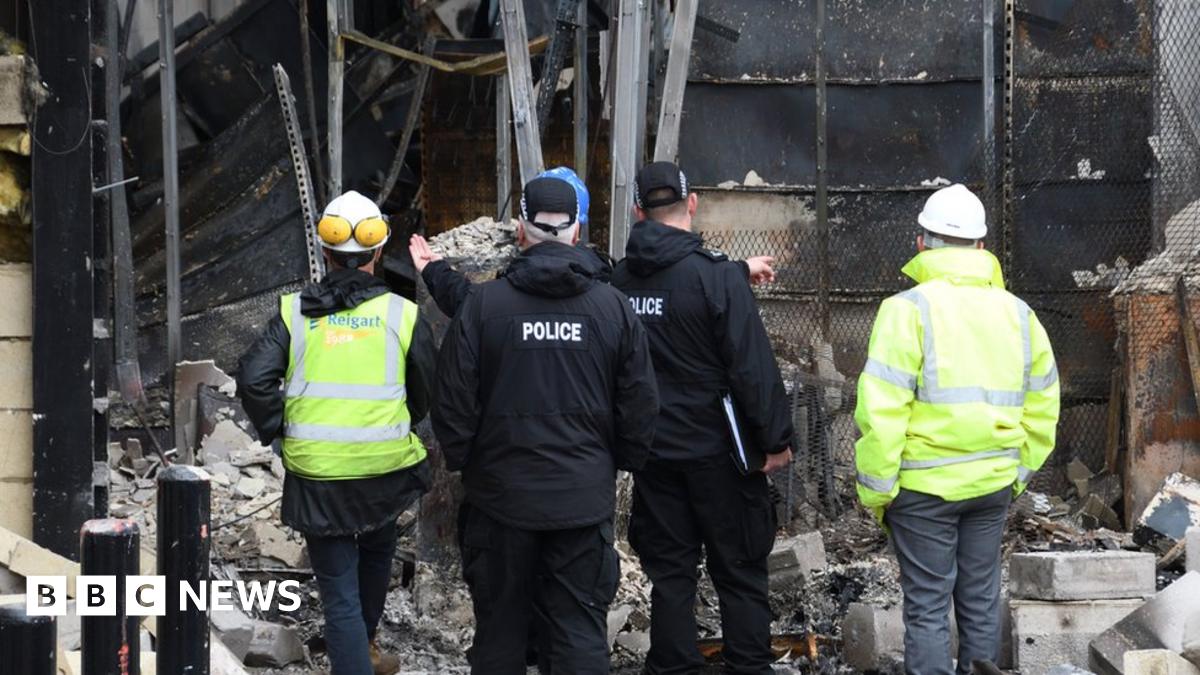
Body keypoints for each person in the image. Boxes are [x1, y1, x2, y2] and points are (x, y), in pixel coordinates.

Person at [431, 175, 660, 674]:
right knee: (578, 634)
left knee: (500, 634)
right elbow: (640, 402)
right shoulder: (612, 309)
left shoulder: (484, 308)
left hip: (500, 501)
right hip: (580, 502)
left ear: (520, 231)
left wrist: (470, 464)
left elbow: (450, 403)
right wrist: (615, 463)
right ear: (577, 232)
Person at [854, 183, 1060, 675]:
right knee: (980, 597)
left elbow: (881, 411)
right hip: (991, 485)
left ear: (922, 243)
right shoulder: (1019, 314)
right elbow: (1044, 404)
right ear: (982, 248)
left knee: (927, 606)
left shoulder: (906, 310)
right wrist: (1017, 475)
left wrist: (878, 492)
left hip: (923, 490)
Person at [237, 190, 435, 675]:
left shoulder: (294, 313)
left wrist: (279, 431)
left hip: (318, 472)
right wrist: (400, 421)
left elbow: (252, 378)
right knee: (377, 547)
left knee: (338, 589)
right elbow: (427, 385)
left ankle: (357, 653)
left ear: (326, 252)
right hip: (384, 467)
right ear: (379, 251)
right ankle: (362, 651)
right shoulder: (402, 314)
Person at [609, 161, 795, 675]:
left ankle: (673, 665)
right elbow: (753, 369)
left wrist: (735, 270)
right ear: (692, 205)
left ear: (637, 211)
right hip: (721, 455)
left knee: (670, 571)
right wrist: (775, 441)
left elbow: (668, 296)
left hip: (652, 453)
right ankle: (748, 666)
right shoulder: (714, 278)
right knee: (738, 568)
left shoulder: (618, 282)